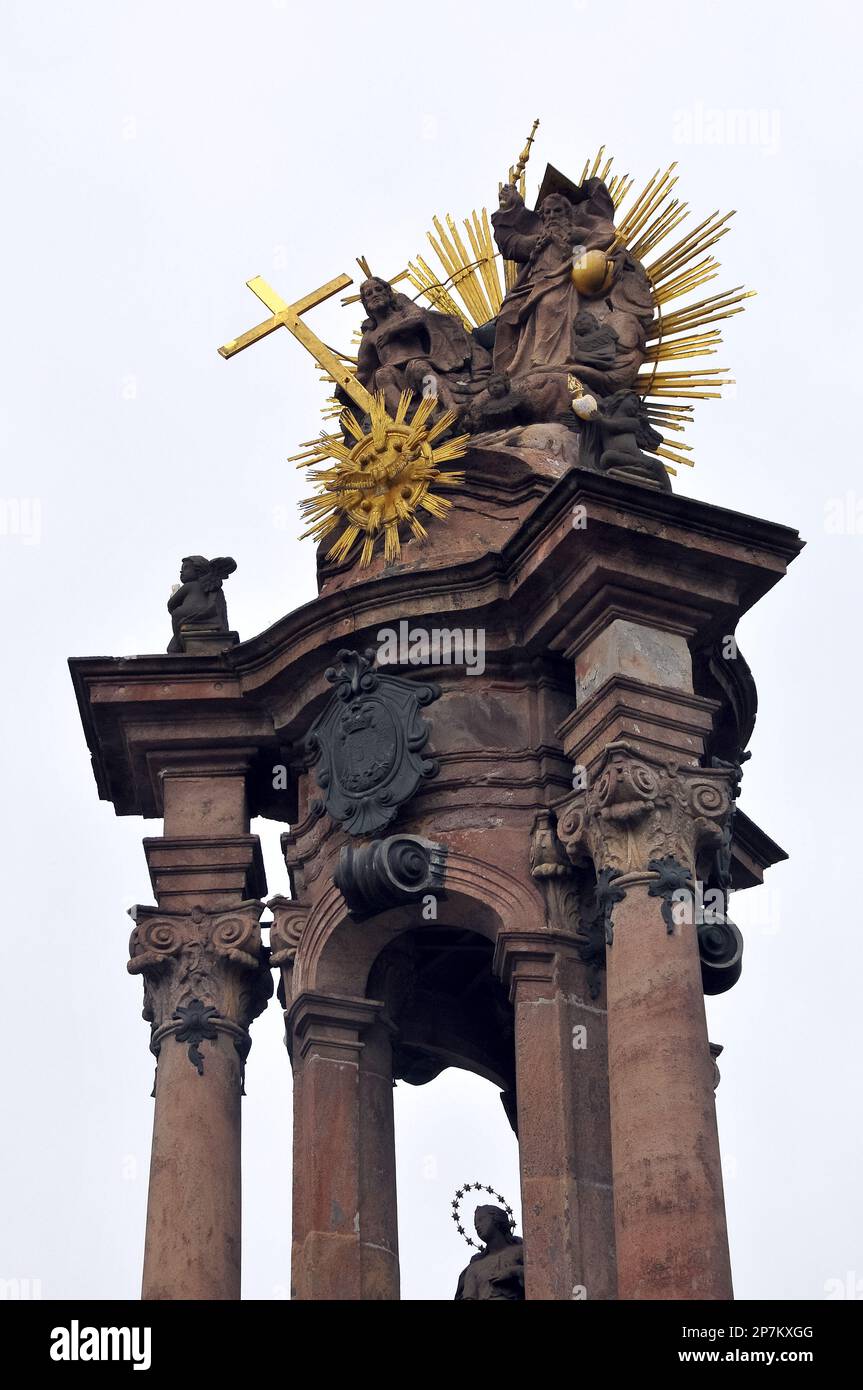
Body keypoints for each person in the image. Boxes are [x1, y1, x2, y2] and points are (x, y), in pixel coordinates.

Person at [355, 277, 490, 416]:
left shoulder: (402, 315)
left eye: (378, 289)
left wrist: (392, 331)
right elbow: (364, 370)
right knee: (381, 375)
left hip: (419, 362)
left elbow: (419, 317)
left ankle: (449, 405)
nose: (375, 294)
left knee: (418, 367)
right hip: (393, 372)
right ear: (365, 304)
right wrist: (346, 385)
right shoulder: (370, 336)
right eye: (369, 293)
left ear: (388, 293)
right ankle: (405, 420)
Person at [454, 1205, 525, 1300]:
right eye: (475, 1224)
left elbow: (539, 1275)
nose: (477, 1226)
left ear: (496, 1219)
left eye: (481, 1220)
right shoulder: (474, 1268)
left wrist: (513, 1272)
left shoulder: (519, 1251)